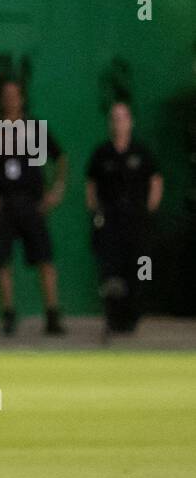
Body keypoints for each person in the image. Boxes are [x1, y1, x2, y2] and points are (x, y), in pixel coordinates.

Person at [0, 78, 66, 335]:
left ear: (22, 97)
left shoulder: (35, 128)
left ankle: (52, 314)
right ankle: (9, 315)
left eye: (15, 94)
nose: (10, 99)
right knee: (2, 262)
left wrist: (55, 190)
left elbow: (61, 158)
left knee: (44, 259)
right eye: (6, 94)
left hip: (31, 204)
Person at [86, 101, 163, 336]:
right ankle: (114, 317)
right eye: (114, 118)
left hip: (138, 224)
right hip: (110, 224)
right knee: (111, 272)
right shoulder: (101, 154)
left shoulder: (143, 153)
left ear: (131, 121)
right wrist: (97, 212)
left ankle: (134, 316)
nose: (119, 122)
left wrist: (147, 211)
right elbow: (90, 187)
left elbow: (156, 182)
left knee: (141, 271)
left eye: (123, 117)